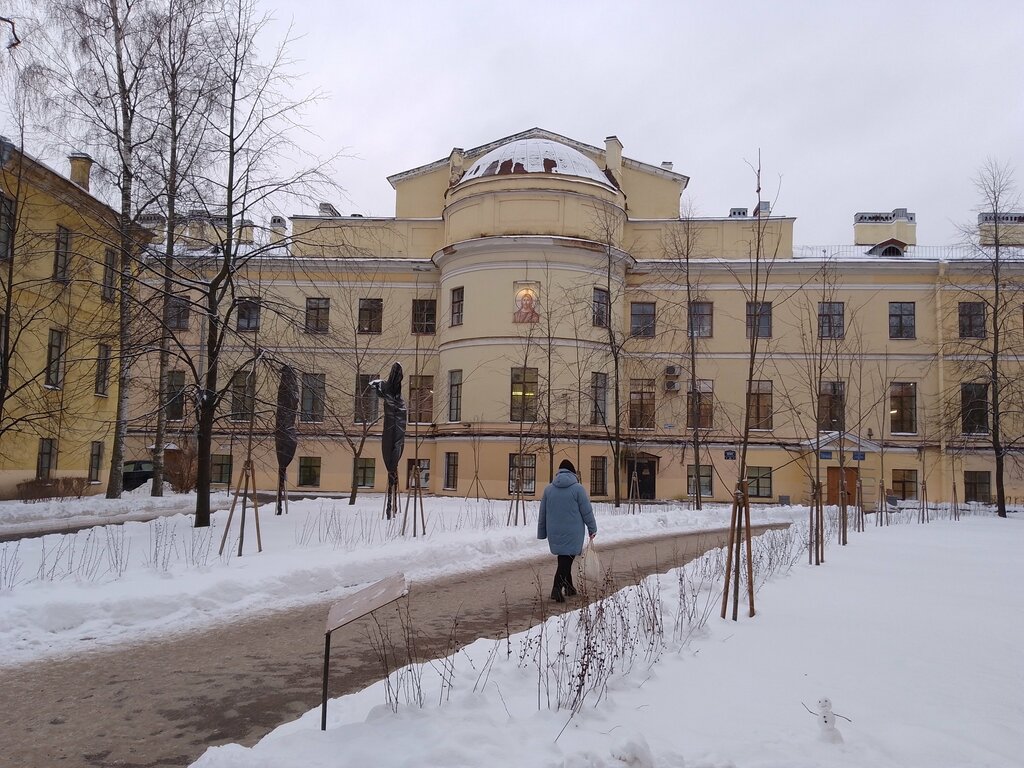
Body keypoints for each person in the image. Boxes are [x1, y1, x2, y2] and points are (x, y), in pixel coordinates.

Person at [537, 459, 597, 602]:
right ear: (573, 473)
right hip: (573, 532)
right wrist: (592, 528)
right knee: (566, 559)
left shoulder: (548, 489)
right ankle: (556, 588)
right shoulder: (578, 489)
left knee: (563, 558)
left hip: (554, 531)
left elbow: (542, 513)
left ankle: (569, 587)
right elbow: (586, 511)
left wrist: (542, 532)